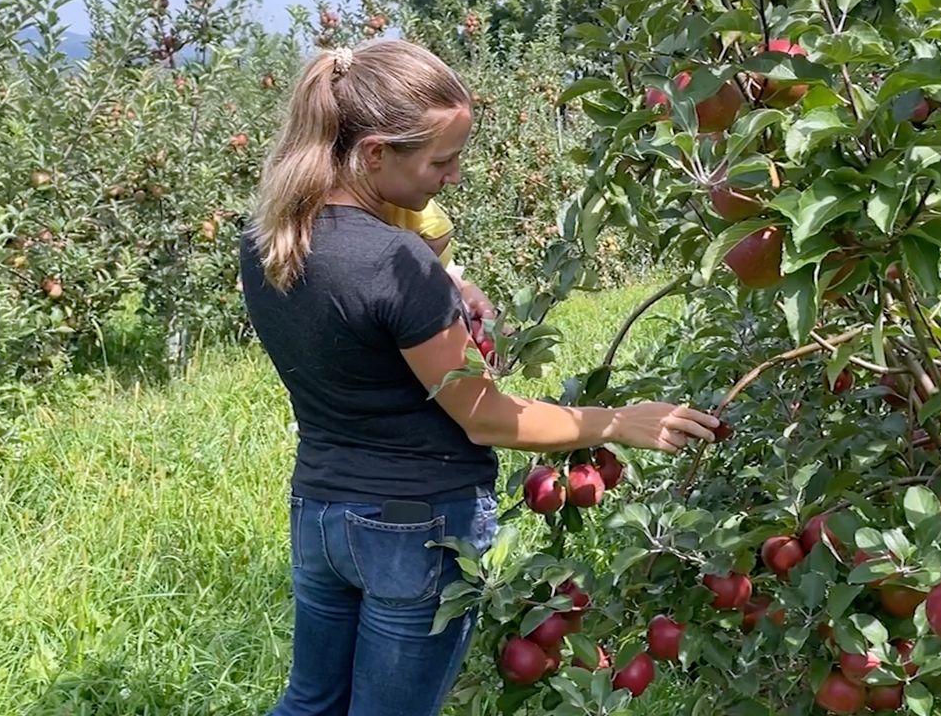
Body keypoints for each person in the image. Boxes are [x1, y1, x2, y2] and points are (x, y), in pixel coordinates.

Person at [239, 39, 719, 716]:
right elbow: (484, 414)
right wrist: (618, 422)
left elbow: (355, 325)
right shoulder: (393, 263)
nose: (454, 176)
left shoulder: (270, 236)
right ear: (376, 153)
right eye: (441, 160)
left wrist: (444, 285)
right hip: (413, 526)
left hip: (321, 513)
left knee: (311, 702)